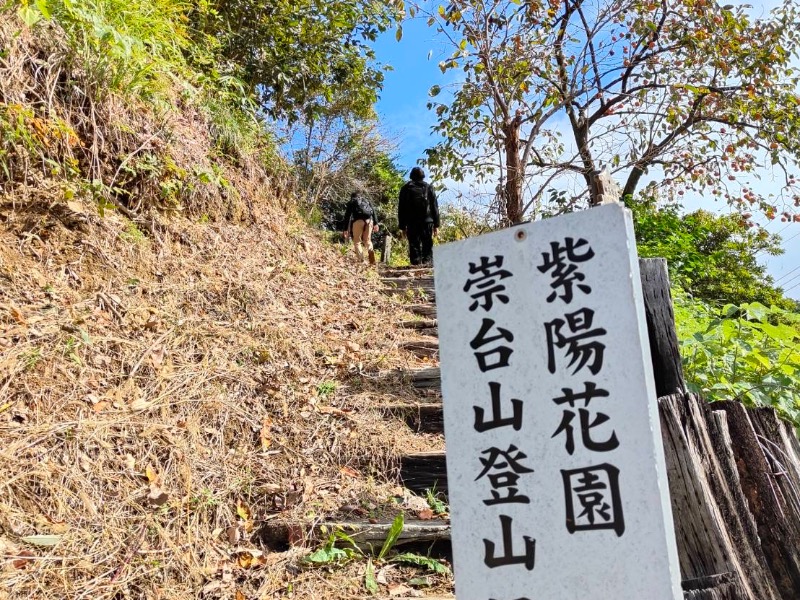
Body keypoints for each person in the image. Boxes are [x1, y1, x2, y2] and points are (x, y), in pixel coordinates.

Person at [398, 166, 439, 265]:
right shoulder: (429, 187)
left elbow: (401, 208)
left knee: (414, 244)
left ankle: (416, 264)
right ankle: (427, 263)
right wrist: (436, 225)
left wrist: (402, 226)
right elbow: (435, 207)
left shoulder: (405, 188)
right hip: (427, 221)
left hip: (411, 222)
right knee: (427, 243)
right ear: (423, 176)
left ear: (411, 176)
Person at [342, 191, 379, 265]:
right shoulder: (366, 200)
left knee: (357, 242)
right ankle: (371, 258)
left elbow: (347, 216)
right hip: (369, 221)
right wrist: (376, 223)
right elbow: (374, 212)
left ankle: (361, 261)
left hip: (358, 221)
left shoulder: (352, 202)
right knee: (367, 241)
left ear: (352, 197)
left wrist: (345, 229)